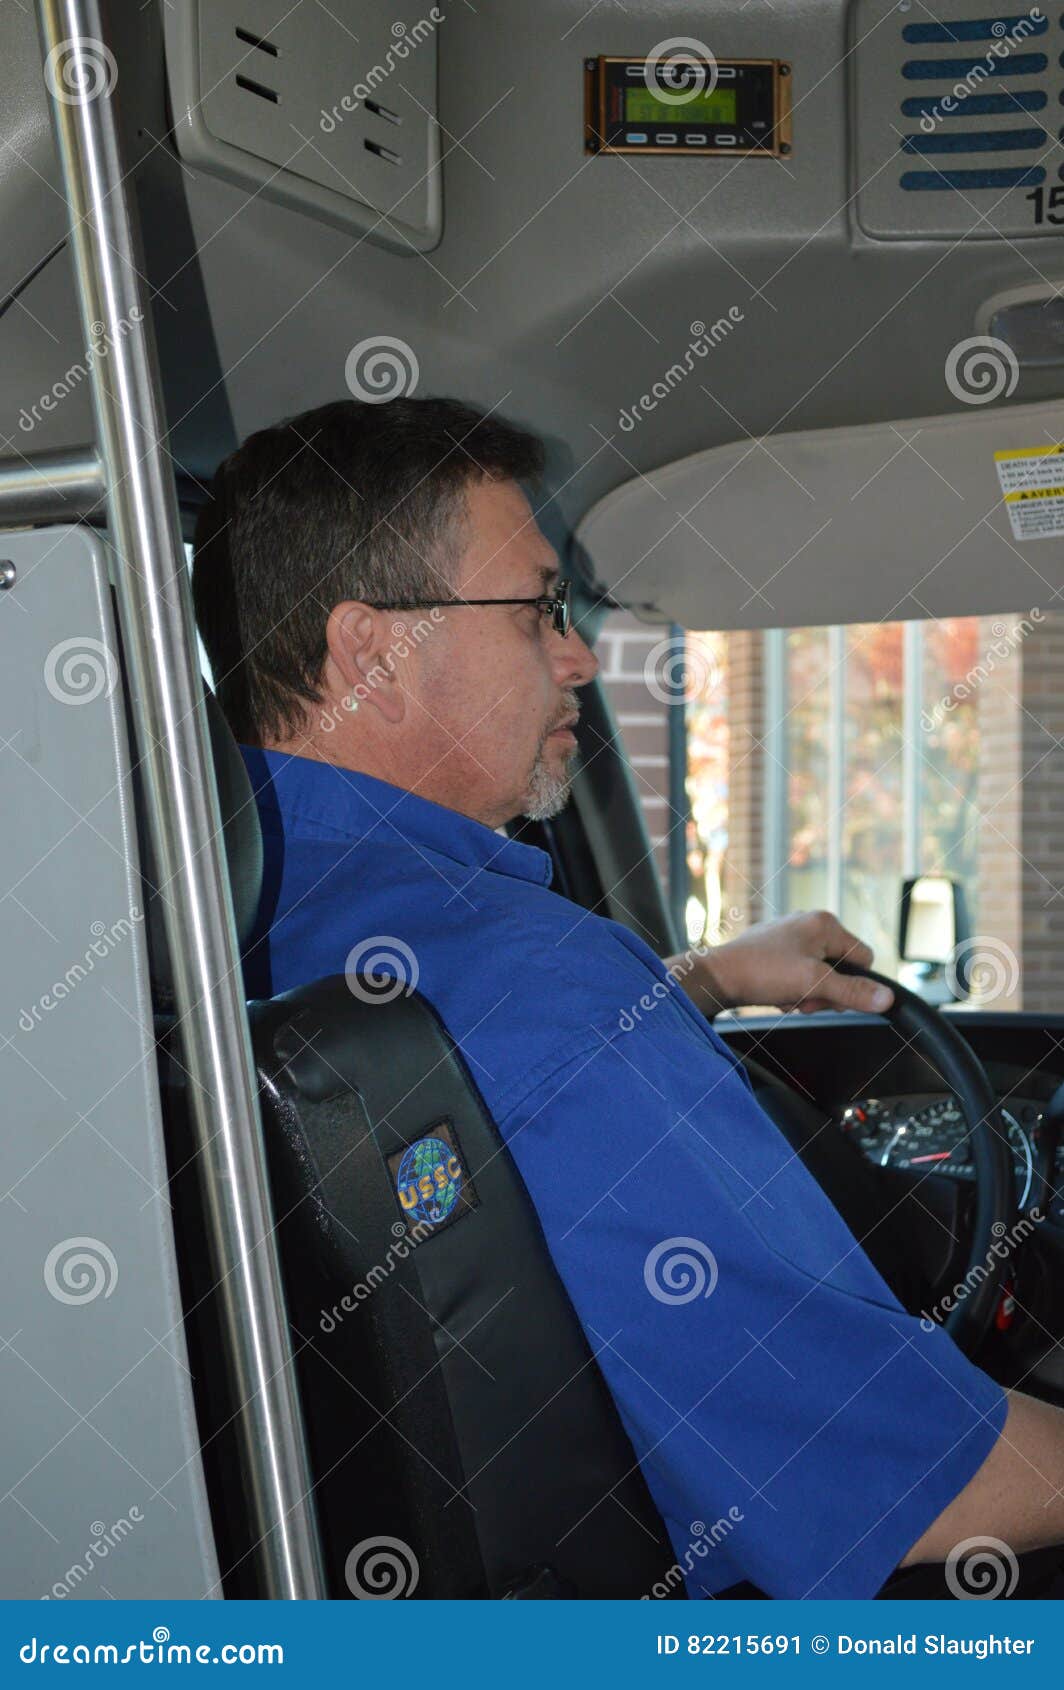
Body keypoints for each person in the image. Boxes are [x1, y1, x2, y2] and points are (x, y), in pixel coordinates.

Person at [193, 396, 1064, 1600]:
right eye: (537, 609)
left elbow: (500, 1068)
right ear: (371, 654)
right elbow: (904, 1484)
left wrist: (699, 980)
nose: (580, 657)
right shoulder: (537, 976)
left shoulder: (201, 936)